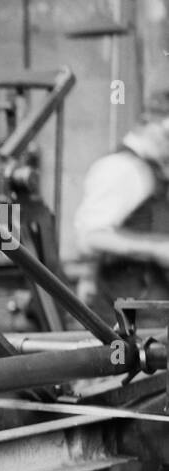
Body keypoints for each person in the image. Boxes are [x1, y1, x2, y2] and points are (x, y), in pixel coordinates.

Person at [73, 93, 169, 327]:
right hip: (133, 313)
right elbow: (91, 236)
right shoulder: (123, 169)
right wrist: (157, 248)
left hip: (150, 306)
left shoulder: (151, 170)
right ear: (153, 127)